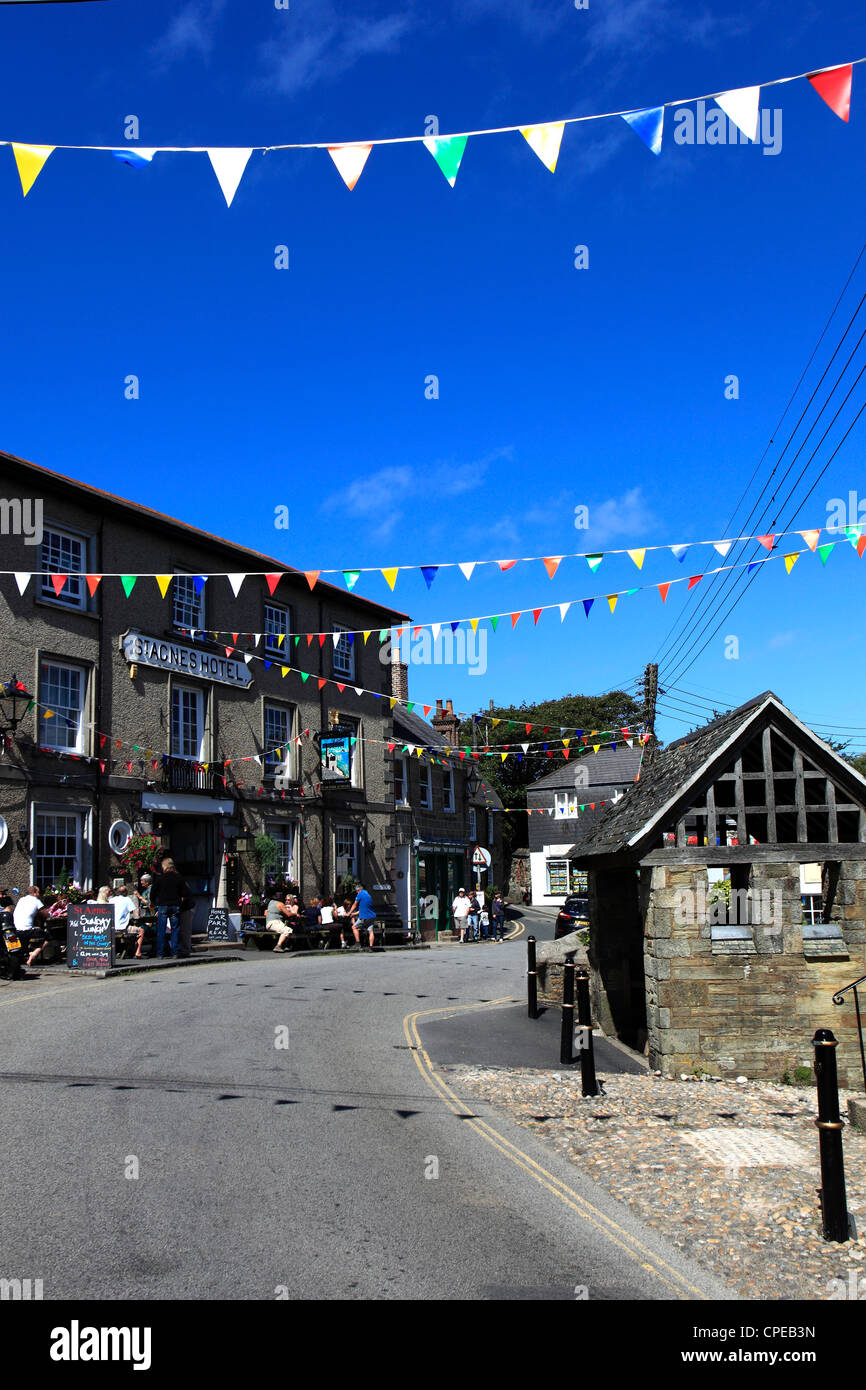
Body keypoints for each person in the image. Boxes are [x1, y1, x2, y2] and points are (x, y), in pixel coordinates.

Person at [151, 856, 190, 959]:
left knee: (161, 930)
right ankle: (175, 953)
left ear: (164, 867)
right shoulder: (179, 878)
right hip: (175, 905)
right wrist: (180, 901)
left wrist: (154, 902)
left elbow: (153, 893)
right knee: (175, 930)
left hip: (163, 905)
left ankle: (160, 953)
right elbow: (185, 893)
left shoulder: (160, 879)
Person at [13, 884, 50, 968]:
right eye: (38, 892)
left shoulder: (21, 899)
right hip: (27, 931)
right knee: (49, 937)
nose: (39, 894)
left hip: (17, 930)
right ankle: (34, 953)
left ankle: (25, 955)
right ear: (34, 893)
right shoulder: (36, 900)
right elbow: (46, 914)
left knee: (24, 942)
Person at [349, 884, 377, 950]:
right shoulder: (369, 896)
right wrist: (354, 914)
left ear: (358, 890)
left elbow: (355, 904)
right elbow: (364, 908)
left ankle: (358, 944)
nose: (356, 893)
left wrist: (349, 913)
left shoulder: (360, 894)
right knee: (371, 931)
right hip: (372, 916)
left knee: (354, 927)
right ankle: (371, 947)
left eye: (356, 891)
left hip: (364, 916)